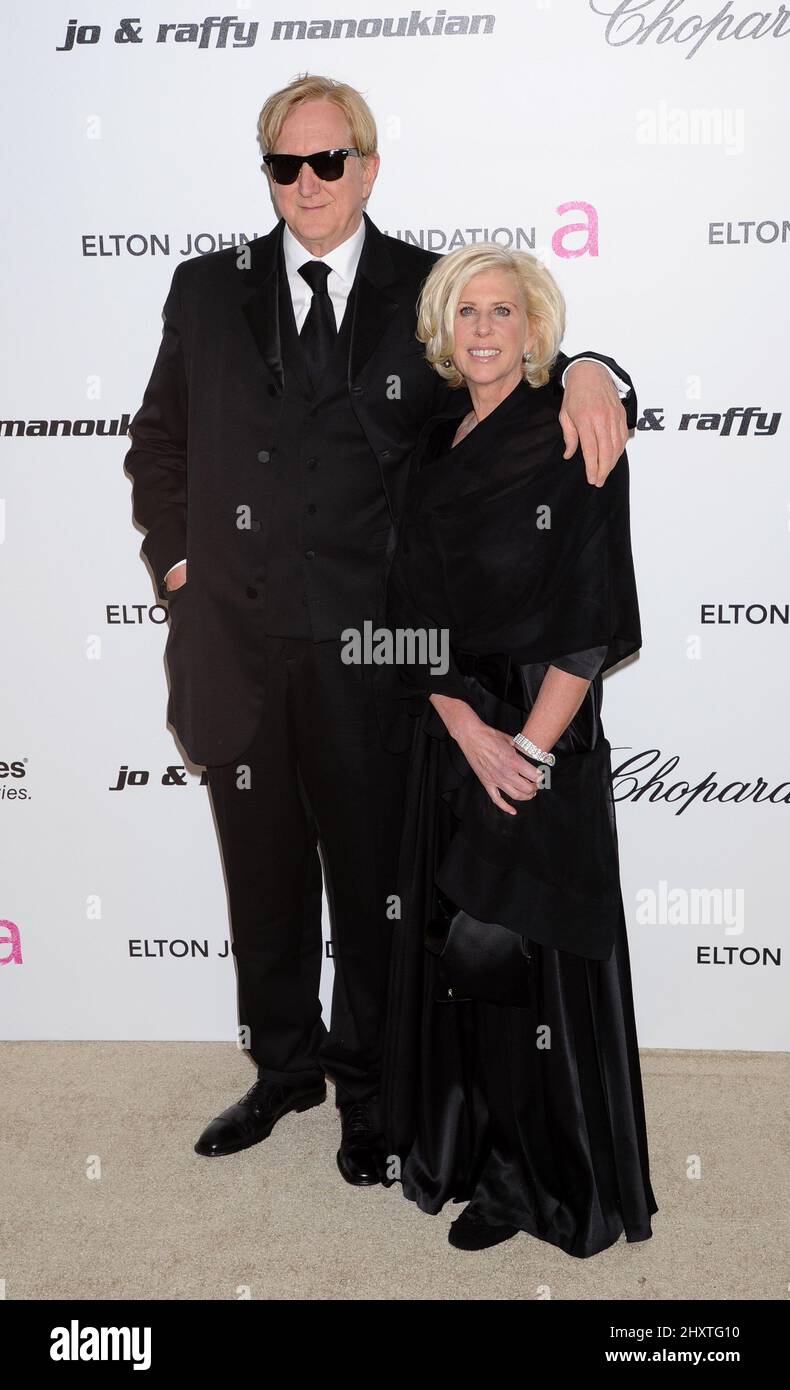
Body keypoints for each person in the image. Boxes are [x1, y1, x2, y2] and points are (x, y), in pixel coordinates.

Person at [124, 74, 637, 1188]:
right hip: (237, 646)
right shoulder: (206, 288)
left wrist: (601, 367)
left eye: (327, 161)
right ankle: (282, 1069)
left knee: (371, 887)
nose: (306, 183)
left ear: (365, 165)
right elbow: (157, 442)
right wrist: (176, 562)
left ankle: (366, 1090)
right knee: (259, 880)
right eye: (284, 164)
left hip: (381, 657)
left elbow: (514, 374)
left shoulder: (427, 288)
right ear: (267, 170)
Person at [381, 242, 658, 1255]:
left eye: (504, 311)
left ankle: (540, 1182)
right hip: (453, 728)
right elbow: (398, 614)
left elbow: (591, 614)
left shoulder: (571, 431)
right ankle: (465, 1147)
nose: (485, 329)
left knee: (526, 952)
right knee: (459, 954)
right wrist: (462, 725)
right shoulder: (426, 447)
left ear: (536, 328)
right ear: (443, 332)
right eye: (466, 312)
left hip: (543, 728)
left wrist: (527, 753)